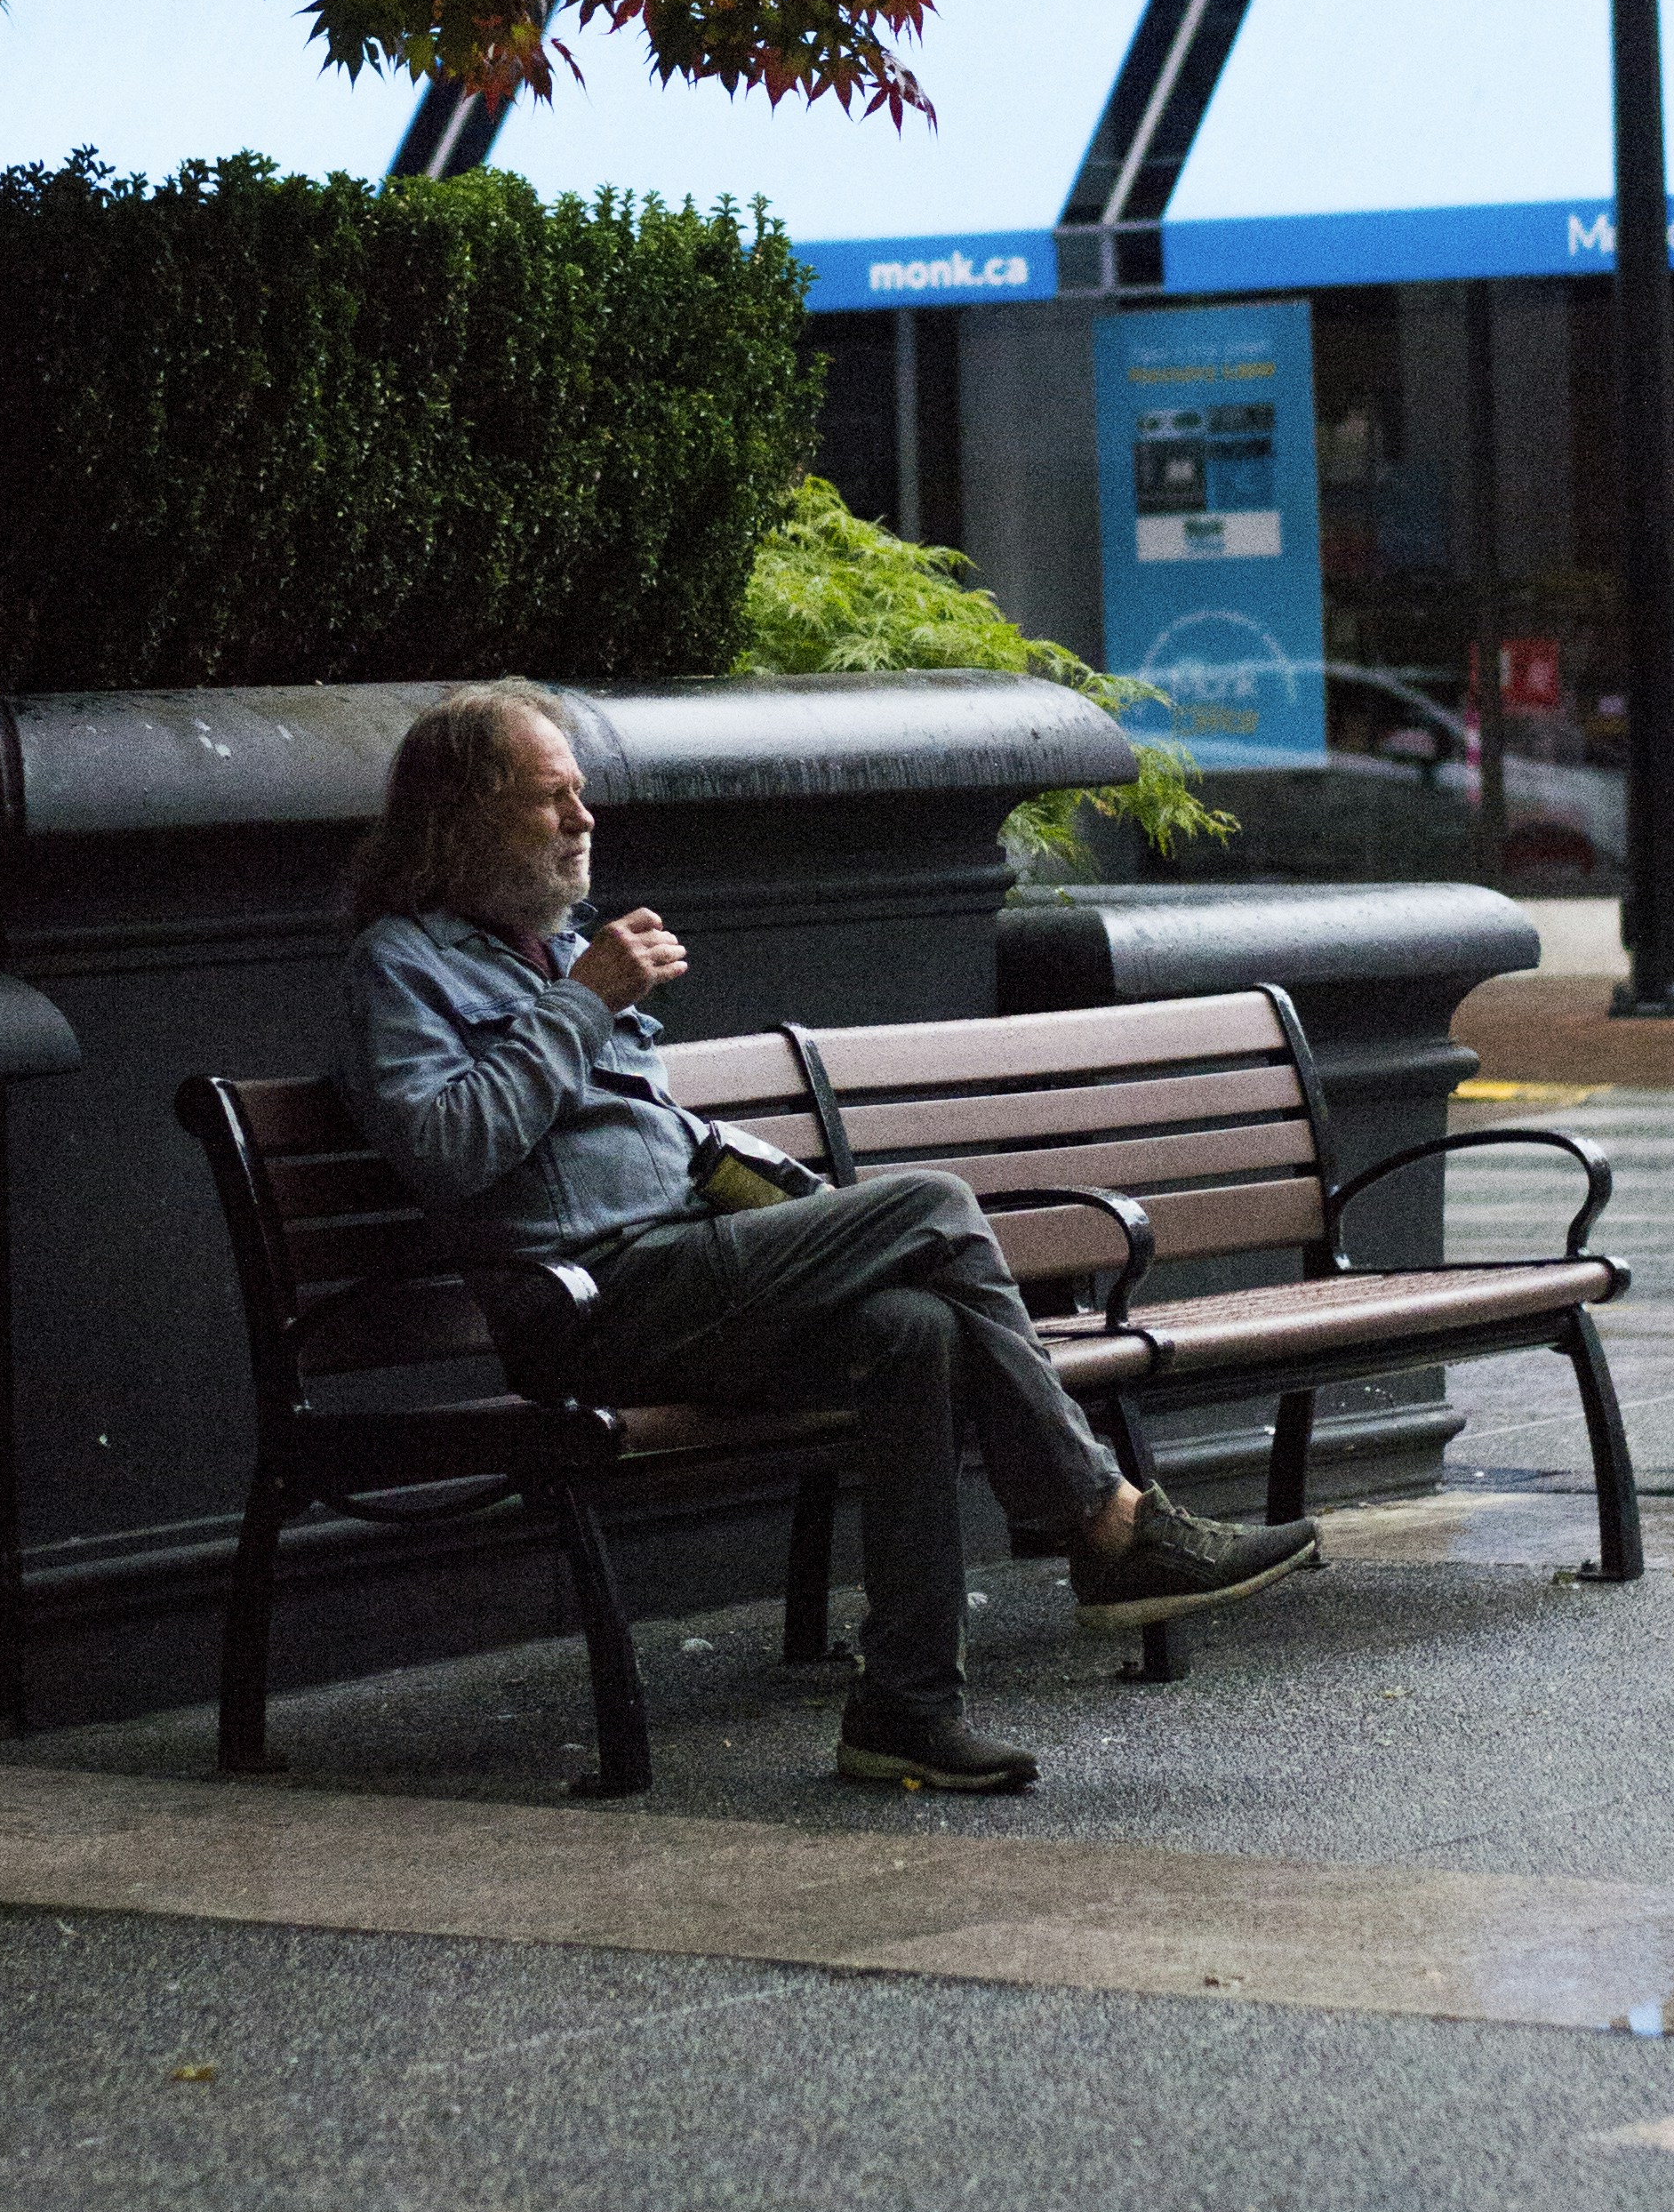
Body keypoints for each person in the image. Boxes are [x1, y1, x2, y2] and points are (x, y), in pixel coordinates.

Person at [340, 681, 1323, 1792]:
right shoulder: (404, 965)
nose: (583, 821)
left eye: (582, 795)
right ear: (463, 817)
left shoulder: (557, 953)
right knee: (933, 1205)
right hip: (589, 1303)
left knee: (909, 1330)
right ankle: (1101, 1518)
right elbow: (448, 1146)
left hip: (686, 1275)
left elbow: (673, 1145)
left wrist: (800, 1204)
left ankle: (904, 1709)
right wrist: (586, 1006)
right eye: (549, 799)